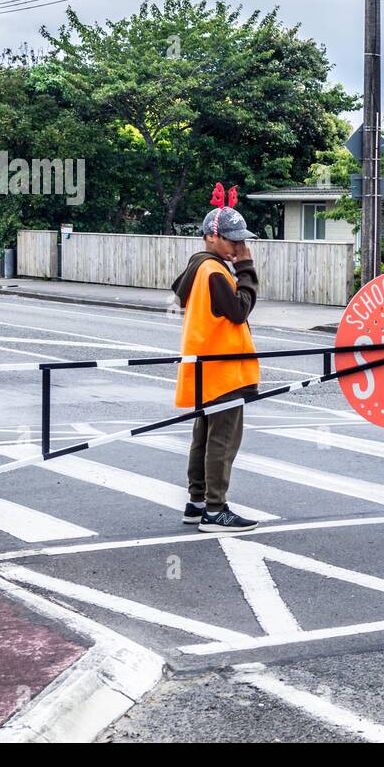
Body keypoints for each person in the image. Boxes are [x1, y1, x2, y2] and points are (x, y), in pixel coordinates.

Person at [171, 201, 263, 533]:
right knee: (222, 439)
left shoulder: (198, 267)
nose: (239, 246)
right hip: (224, 370)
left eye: (241, 240)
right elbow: (240, 310)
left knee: (204, 436)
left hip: (204, 368)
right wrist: (247, 268)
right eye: (232, 239)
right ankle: (215, 509)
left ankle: (197, 503)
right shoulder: (214, 271)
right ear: (212, 236)